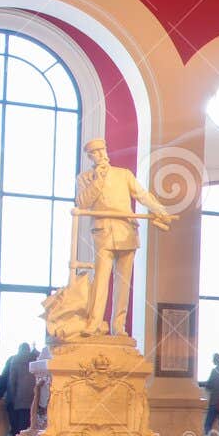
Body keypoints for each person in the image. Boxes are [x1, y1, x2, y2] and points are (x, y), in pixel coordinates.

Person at [76, 138, 172, 337]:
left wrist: (161, 210)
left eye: (102, 150)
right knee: (101, 279)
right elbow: (84, 203)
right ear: (89, 157)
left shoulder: (123, 175)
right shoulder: (85, 178)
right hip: (103, 232)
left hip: (125, 231)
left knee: (123, 283)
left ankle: (118, 327)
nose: (101, 155)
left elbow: (142, 195)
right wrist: (98, 180)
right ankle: (93, 324)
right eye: (96, 152)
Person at [0, 342, 39, 436]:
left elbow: (11, 381)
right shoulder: (37, 359)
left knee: (17, 429)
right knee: (31, 427)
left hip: (18, 400)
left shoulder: (14, 359)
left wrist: (10, 399)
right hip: (34, 399)